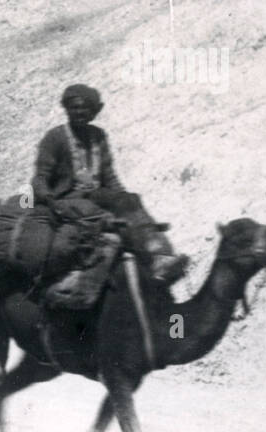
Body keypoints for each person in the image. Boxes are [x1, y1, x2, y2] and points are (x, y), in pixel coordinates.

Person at [32, 84, 186, 286]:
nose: (80, 112)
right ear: (67, 109)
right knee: (106, 219)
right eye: (74, 107)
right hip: (66, 199)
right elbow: (40, 177)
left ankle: (161, 256)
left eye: (85, 108)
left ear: (93, 111)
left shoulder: (99, 136)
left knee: (131, 200)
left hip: (95, 194)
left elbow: (109, 175)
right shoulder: (55, 138)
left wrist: (125, 199)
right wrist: (49, 199)